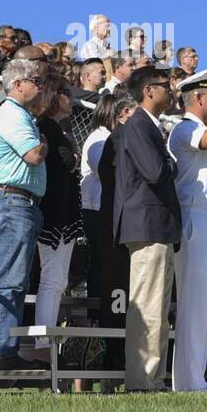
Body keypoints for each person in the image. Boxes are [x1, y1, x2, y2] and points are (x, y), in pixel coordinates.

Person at [112, 66, 181, 391]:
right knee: (149, 308)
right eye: (166, 86)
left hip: (156, 227)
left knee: (157, 308)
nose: (171, 91)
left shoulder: (147, 126)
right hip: (147, 225)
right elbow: (155, 171)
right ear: (149, 90)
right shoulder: (138, 125)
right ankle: (142, 380)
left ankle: (152, 378)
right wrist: (173, 162)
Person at [165, 67, 207, 392]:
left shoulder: (200, 127)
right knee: (194, 304)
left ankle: (193, 378)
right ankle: (189, 382)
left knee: (203, 304)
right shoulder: (185, 128)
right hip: (196, 218)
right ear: (200, 98)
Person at [0, 58, 47, 370]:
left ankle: (5, 349)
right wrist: (43, 142)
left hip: (18, 203)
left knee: (15, 280)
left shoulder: (19, 114)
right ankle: (1, 351)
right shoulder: (12, 113)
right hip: (13, 202)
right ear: (17, 84)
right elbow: (33, 154)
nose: (41, 86)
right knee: (9, 280)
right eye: (36, 80)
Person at [30, 74, 83, 362]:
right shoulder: (46, 126)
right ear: (52, 95)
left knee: (58, 279)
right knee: (51, 278)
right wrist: (73, 158)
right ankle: (42, 343)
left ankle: (46, 342)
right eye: (65, 93)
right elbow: (67, 162)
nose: (71, 99)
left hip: (63, 212)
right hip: (53, 212)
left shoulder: (60, 128)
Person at [81, 93, 134, 370]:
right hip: (97, 211)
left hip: (109, 212)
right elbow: (108, 171)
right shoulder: (99, 138)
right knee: (105, 271)